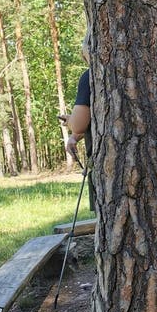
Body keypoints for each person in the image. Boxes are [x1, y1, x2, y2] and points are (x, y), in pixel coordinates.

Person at [59, 33, 94, 208]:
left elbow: (79, 123)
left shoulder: (90, 76)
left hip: (103, 161)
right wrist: (74, 137)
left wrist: (71, 121)